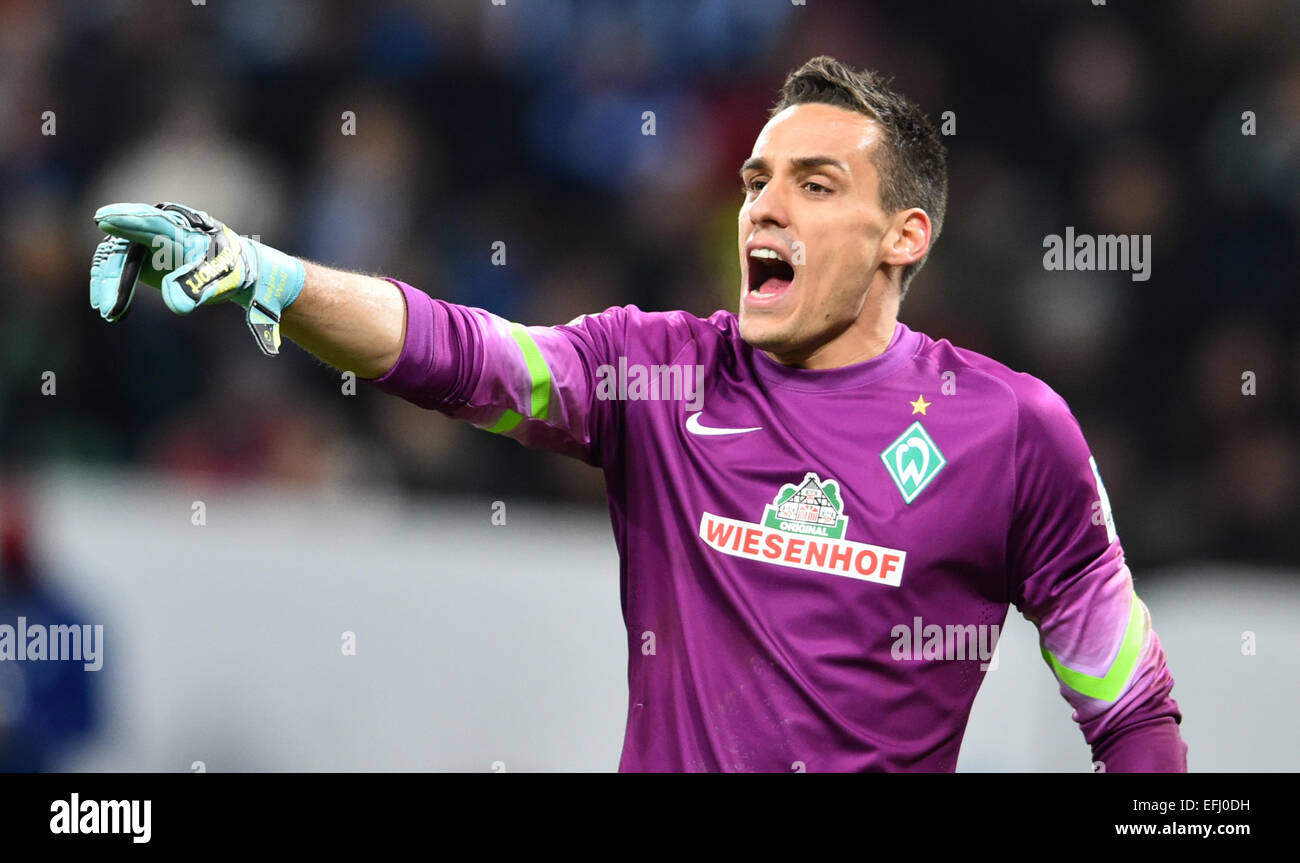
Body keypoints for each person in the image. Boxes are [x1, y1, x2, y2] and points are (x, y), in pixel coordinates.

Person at [88, 56, 1186, 772]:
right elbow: (454, 350)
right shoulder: (656, 374)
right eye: (757, 178)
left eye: (813, 183)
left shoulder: (1008, 432)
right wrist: (265, 273)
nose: (763, 203)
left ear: (903, 236)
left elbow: (1129, 709)